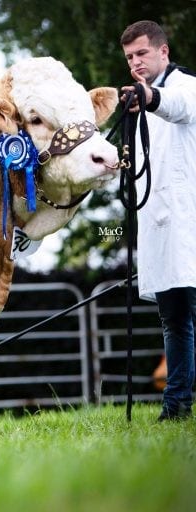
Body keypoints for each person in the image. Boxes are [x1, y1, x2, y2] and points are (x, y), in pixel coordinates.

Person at [119, 20, 196, 421]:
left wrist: (148, 97)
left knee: (186, 319)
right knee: (174, 321)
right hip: (161, 228)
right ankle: (177, 405)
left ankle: (178, 402)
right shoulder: (140, 107)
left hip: (189, 225)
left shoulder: (187, 88)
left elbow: (176, 106)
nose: (136, 62)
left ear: (163, 51)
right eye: (129, 57)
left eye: (142, 53)